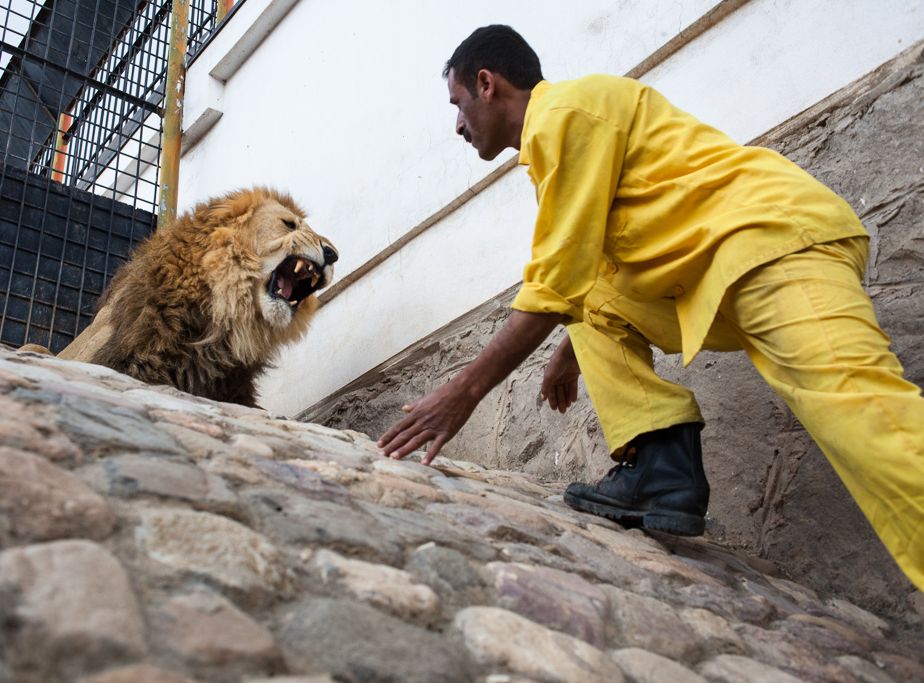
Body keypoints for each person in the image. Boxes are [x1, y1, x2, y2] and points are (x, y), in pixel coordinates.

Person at [377, 24, 924, 591]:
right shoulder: (556, 139)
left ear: (486, 84)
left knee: (871, 424)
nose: (457, 125)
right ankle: (662, 466)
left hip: (775, 244)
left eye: (458, 104)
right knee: (580, 304)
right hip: (722, 270)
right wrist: (573, 347)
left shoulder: (566, 111)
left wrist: (462, 393)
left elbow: (554, 281)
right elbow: (579, 276)